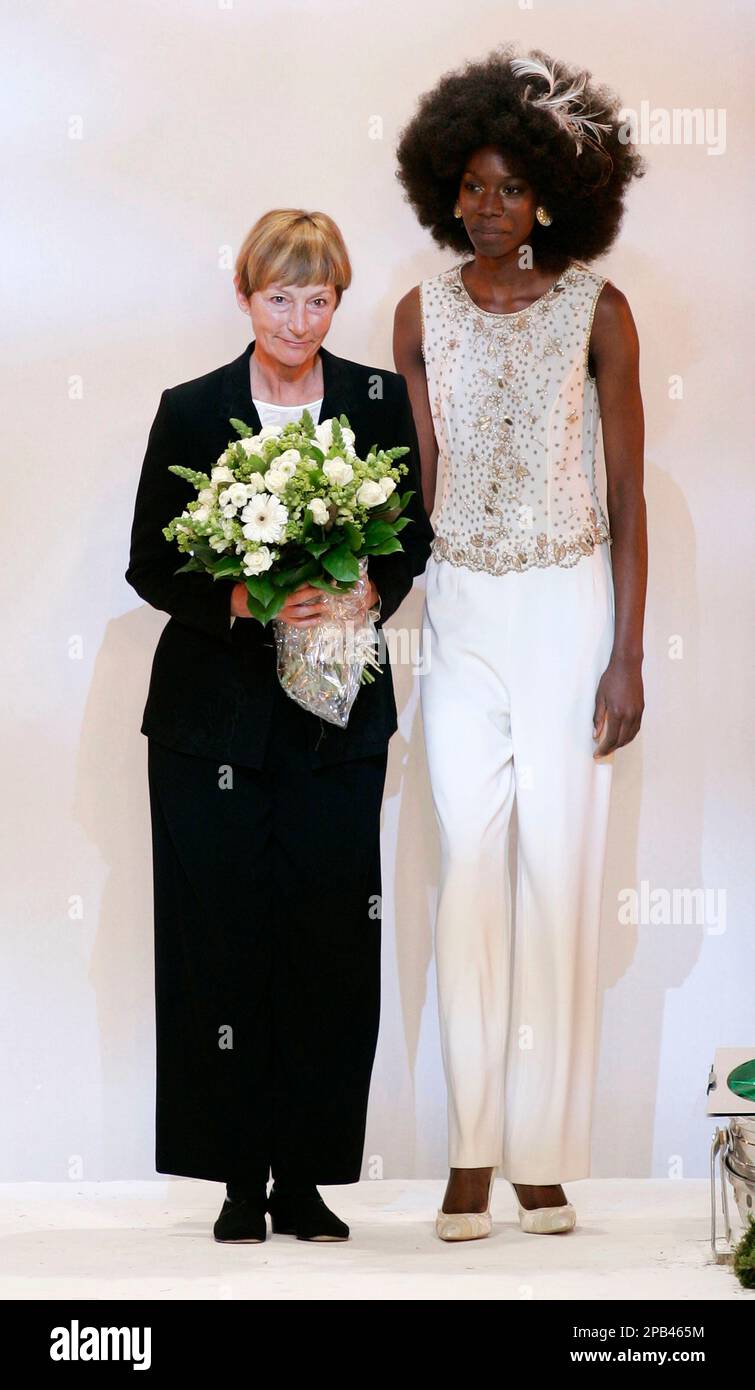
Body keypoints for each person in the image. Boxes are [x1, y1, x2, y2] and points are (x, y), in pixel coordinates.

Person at [125, 209, 433, 1243]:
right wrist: (247, 606)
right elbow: (151, 563)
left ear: (337, 300)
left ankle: (303, 1178)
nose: (300, 317)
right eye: (279, 297)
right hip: (210, 721)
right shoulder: (191, 409)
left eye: (319, 297)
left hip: (337, 714)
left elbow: (411, 540)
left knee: (326, 941)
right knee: (218, 942)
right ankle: (232, 1178)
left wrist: (358, 596)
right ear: (245, 297)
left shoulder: (376, 398)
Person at [393, 46, 647, 1239]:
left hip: (564, 605)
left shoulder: (598, 311)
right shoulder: (417, 310)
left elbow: (628, 493)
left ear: (550, 193)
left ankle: (540, 1154)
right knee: (466, 875)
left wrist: (626, 652)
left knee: (556, 874)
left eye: (509, 187)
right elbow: (419, 489)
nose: (487, 207)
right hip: (462, 610)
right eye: (471, 187)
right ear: (445, 187)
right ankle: (468, 1148)